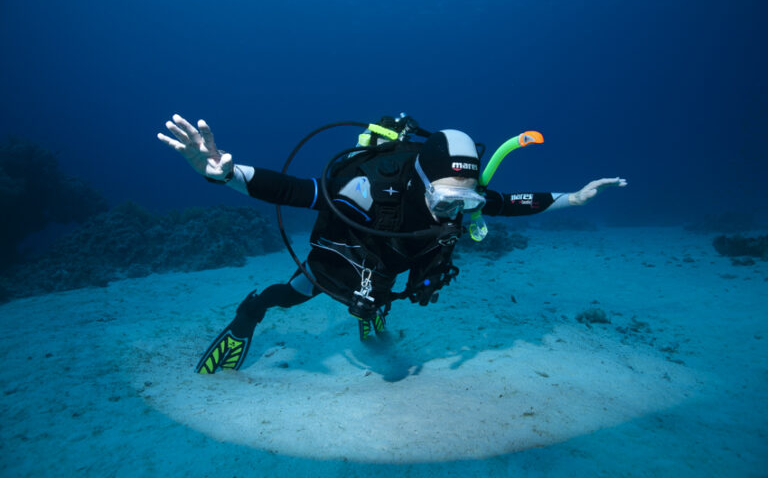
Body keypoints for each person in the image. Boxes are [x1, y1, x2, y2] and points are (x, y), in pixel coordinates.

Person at [157, 113, 627, 374]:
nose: (454, 211)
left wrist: (576, 199)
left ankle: (374, 308)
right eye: (446, 199)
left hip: (398, 261)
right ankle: (249, 314)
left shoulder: (466, 199)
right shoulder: (371, 186)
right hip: (351, 252)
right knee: (296, 294)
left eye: (465, 201)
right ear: (422, 178)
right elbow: (298, 191)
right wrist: (227, 174)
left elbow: (515, 202)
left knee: (387, 289)